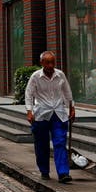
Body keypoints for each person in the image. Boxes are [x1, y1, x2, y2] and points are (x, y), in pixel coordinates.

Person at [24, 51, 75, 183]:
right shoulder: (35, 77)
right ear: (41, 63)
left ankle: (63, 173)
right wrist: (29, 111)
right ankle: (44, 170)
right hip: (41, 114)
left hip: (58, 113)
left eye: (52, 62)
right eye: (47, 62)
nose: (50, 65)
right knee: (41, 145)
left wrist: (72, 108)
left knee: (60, 142)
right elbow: (28, 94)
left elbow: (67, 92)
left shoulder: (60, 75)